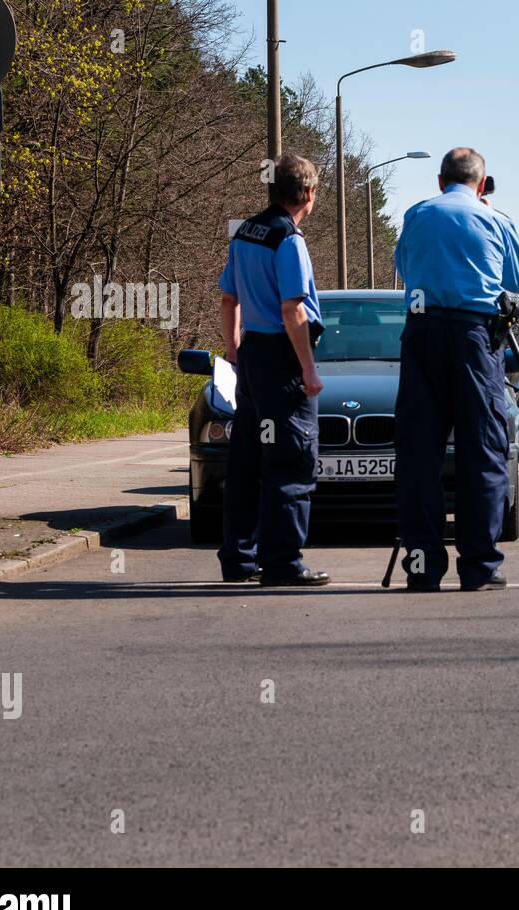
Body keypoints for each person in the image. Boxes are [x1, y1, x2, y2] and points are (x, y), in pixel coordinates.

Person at [393, 147, 519, 592]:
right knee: (483, 452)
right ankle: (479, 566)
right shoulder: (495, 219)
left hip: (422, 333)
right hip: (474, 338)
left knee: (418, 455)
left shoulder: (417, 214)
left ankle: (421, 566)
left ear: (439, 181)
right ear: (481, 182)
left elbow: (403, 266)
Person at [217, 152, 329, 587]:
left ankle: (239, 560)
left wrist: (233, 349)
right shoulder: (288, 239)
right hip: (282, 360)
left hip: (251, 361)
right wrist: (308, 369)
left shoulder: (246, 232)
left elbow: (229, 299)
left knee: (247, 462)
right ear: (308, 193)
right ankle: (283, 562)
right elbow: (292, 309)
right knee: (290, 460)